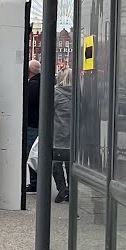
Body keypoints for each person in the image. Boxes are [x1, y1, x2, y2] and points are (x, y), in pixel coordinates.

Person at [52, 67, 73, 203]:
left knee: (56, 163)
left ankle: (62, 189)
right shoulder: (79, 93)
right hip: (74, 134)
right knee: (70, 163)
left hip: (58, 133)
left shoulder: (56, 93)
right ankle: (71, 190)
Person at [25, 60, 41, 193]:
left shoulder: (33, 85)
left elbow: (27, 104)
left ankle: (35, 182)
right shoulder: (44, 82)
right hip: (40, 123)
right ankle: (37, 182)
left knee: (31, 154)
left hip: (33, 124)